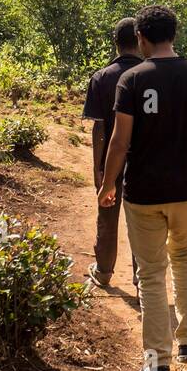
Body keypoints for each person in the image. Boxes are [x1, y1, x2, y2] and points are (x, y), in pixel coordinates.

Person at [98, 5, 187, 371]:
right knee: (186, 260)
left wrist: (108, 184)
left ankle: (156, 362)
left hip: (142, 194)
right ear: (174, 35)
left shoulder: (132, 80)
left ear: (141, 38)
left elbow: (120, 140)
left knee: (152, 274)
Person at [82, 17, 143, 289]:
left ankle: (104, 272)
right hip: (145, 162)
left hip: (111, 160)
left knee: (107, 213)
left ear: (115, 43)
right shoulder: (149, 74)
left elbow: (100, 129)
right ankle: (142, 280)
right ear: (140, 41)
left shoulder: (101, 78)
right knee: (142, 222)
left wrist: (99, 168)